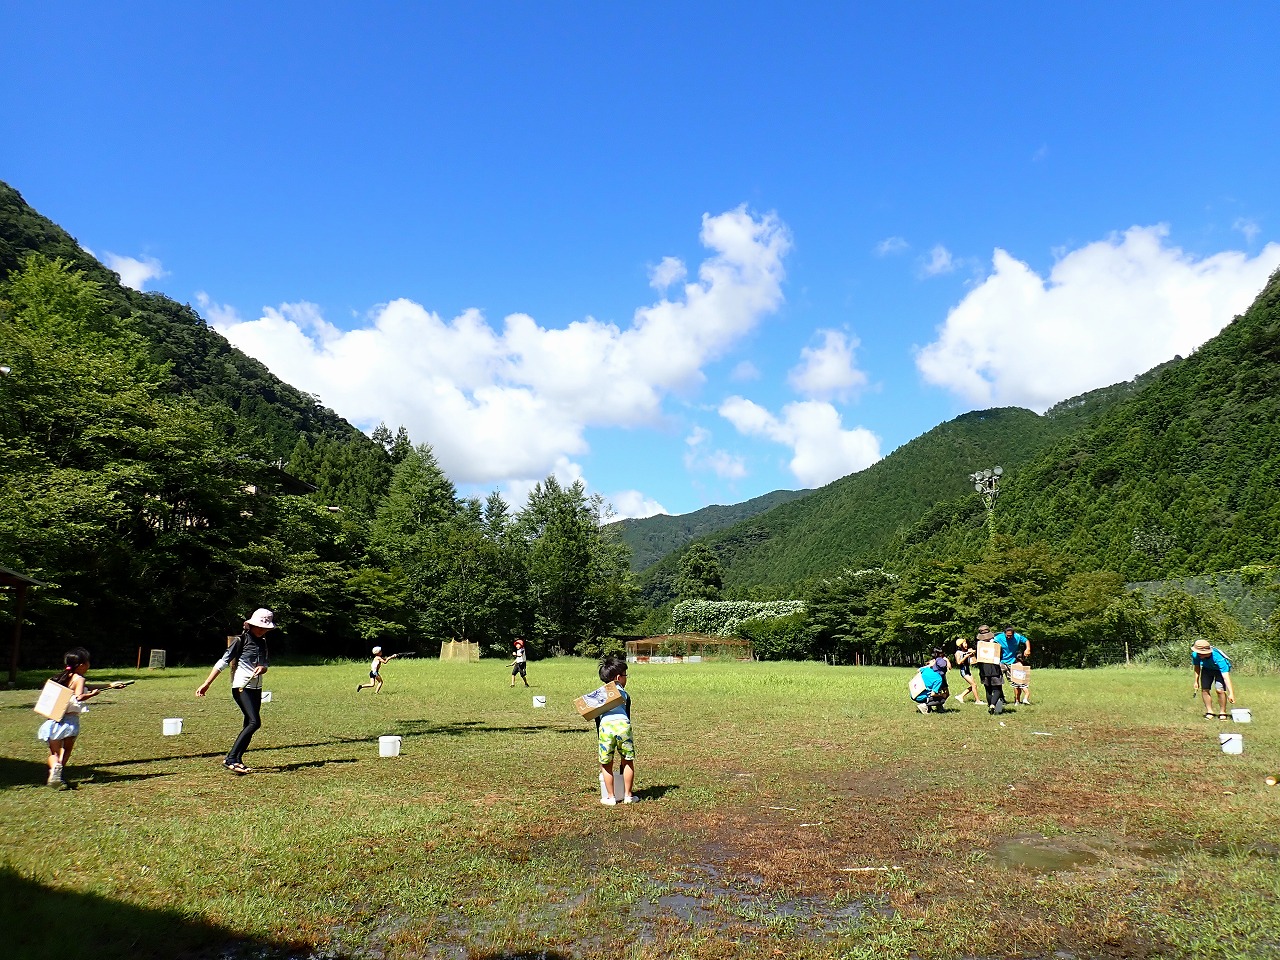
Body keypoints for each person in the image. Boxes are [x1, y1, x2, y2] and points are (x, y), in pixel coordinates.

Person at [197, 608, 275, 774]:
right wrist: (207, 683)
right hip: (241, 687)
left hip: (256, 688)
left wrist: (263, 668)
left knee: (249, 723)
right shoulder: (241, 640)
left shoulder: (263, 642)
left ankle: (237, 760)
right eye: (260, 626)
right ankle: (231, 758)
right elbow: (222, 662)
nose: (262, 630)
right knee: (255, 722)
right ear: (251, 625)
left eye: (265, 627)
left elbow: (265, 664)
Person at [37, 647, 128, 787]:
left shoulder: (61, 677)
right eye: (87, 662)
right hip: (70, 722)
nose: (89, 664)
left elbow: (87, 686)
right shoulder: (79, 679)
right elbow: (80, 696)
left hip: (53, 720)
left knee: (54, 753)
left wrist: (110, 685)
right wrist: (92, 695)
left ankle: (55, 768)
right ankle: (59, 774)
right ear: (81, 665)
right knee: (66, 751)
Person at [595, 656, 637, 805]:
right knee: (627, 761)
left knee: (606, 764)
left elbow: (596, 717)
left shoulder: (598, 694)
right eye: (626, 675)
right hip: (623, 726)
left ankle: (611, 797)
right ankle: (628, 795)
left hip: (606, 727)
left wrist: (600, 736)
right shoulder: (624, 694)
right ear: (619, 677)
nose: (626, 679)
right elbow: (628, 713)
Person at [1190, 638, 1235, 720]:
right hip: (1207, 669)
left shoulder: (1218, 658)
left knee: (1219, 690)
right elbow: (1197, 668)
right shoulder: (1195, 655)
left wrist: (1231, 693)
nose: (1198, 654)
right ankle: (1210, 711)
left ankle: (1222, 712)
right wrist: (1196, 681)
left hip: (1219, 671)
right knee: (1205, 689)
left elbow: (1226, 677)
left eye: (1200, 653)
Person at [975, 625, 1007, 714]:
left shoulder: (978, 646)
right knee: (997, 689)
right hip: (995, 670)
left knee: (988, 689)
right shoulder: (995, 645)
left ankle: (990, 706)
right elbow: (1000, 656)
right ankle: (993, 705)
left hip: (983, 671)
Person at [952, 636, 982, 704]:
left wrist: (972, 654)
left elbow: (973, 661)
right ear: (960, 645)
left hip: (968, 670)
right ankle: (977, 701)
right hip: (963, 671)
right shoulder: (958, 653)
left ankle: (961, 696)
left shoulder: (967, 651)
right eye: (964, 643)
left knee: (974, 685)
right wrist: (966, 656)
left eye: (966, 643)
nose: (966, 645)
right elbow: (958, 662)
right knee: (973, 685)